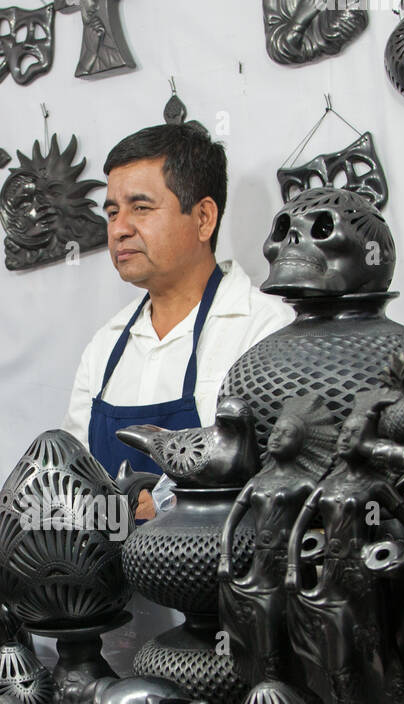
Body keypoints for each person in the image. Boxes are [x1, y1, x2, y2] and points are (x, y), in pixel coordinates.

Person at [61, 124, 293, 485]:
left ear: (203, 218)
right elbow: (73, 475)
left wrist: (165, 505)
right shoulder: (105, 347)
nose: (119, 229)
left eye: (140, 207)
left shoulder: (265, 330)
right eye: (112, 213)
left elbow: (284, 478)